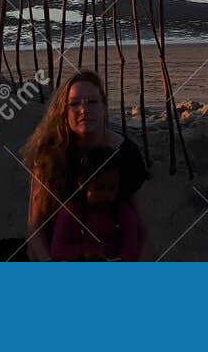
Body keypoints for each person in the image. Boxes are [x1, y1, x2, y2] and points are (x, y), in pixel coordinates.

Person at [22, 70, 149, 262]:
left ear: (104, 108)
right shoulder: (50, 154)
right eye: (74, 103)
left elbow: (144, 229)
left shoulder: (125, 154)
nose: (84, 110)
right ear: (64, 111)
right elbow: (35, 226)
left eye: (92, 102)